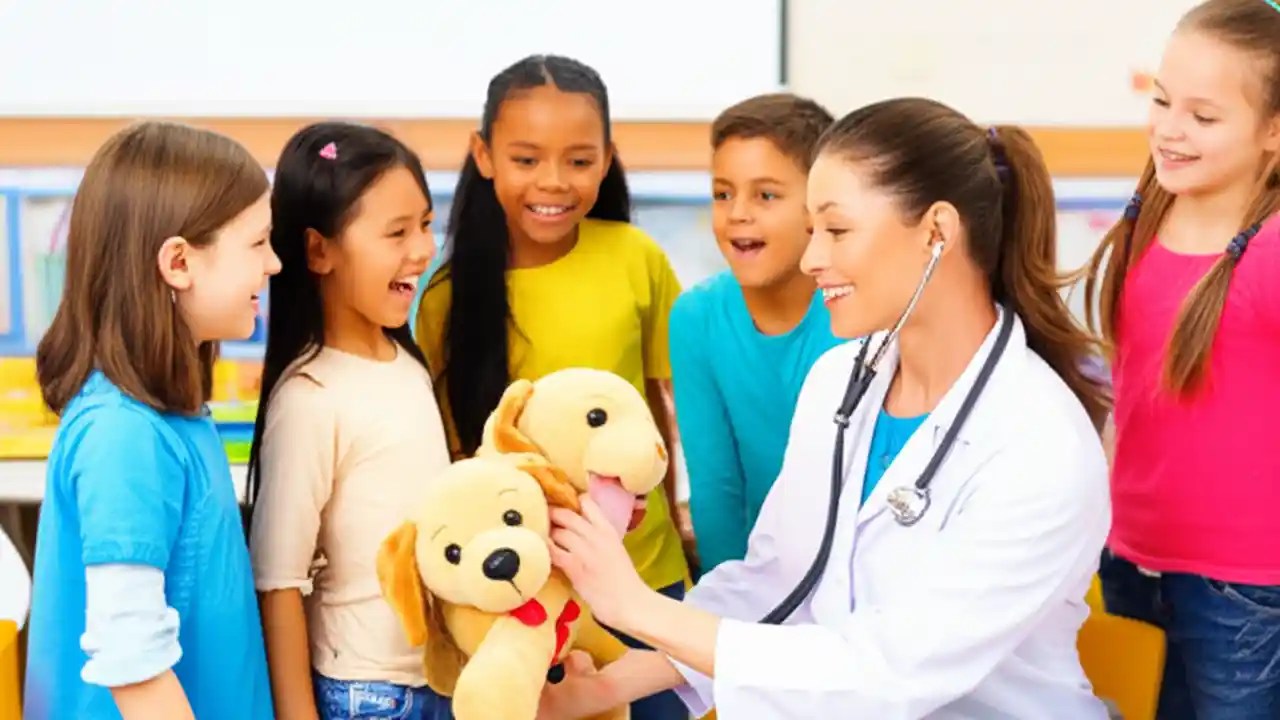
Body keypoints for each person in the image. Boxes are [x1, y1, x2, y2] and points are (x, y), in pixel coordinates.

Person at [539, 97, 1114, 719]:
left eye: (836, 231)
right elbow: (776, 582)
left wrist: (636, 607)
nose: (813, 259)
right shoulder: (842, 380)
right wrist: (612, 684)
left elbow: (885, 676)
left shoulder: (1039, 443)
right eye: (813, 231)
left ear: (938, 233)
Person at [413, 53, 690, 720]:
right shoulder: (448, 299)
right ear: (483, 156)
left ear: (608, 159)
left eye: (579, 160)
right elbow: (454, 461)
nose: (554, 182)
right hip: (522, 602)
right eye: (527, 158)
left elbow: (659, 408)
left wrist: (679, 520)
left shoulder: (636, 258)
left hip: (646, 580)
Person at [23, 122, 279, 720]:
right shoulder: (123, 435)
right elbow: (131, 659)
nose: (273, 263)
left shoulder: (169, 420)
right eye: (258, 243)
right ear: (179, 262)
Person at [1082, 1, 1280, 716]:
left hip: (1245, 594)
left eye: (1203, 116)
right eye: (1163, 101)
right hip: (1132, 561)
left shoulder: (1271, 248)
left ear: (1274, 131)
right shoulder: (1154, 212)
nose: (1170, 127)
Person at [246, 123, 453, 720]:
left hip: (435, 681)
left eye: (425, 223)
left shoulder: (406, 364)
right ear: (318, 251)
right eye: (397, 232)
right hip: (368, 696)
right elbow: (279, 584)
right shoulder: (310, 395)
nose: (422, 248)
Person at [670, 93, 841, 574]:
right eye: (723, 193)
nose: (737, 213)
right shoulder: (696, 319)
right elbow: (715, 488)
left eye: (765, 195)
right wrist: (727, 614)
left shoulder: (858, 312)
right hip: (752, 581)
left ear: (818, 208)